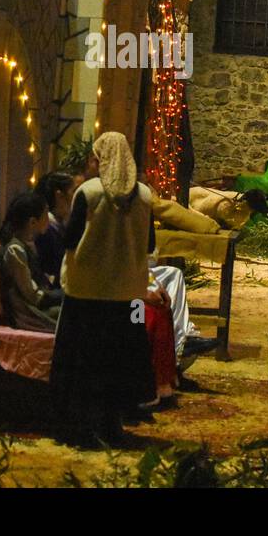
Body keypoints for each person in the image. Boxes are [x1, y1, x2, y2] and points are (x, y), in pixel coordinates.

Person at [51, 132, 172, 446]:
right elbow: (149, 244)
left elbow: (69, 240)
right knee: (119, 362)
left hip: (86, 292)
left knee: (84, 362)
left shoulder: (88, 193)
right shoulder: (145, 196)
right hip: (125, 296)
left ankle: (81, 428)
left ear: (99, 159)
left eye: (94, 157)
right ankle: (113, 424)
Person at [0, 192, 62, 333]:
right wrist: (61, 295)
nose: (48, 219)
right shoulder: (15, 249)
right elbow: (32, 296)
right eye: (45, 215)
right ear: (33, 222)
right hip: (27, 313)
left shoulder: (26, 245)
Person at [34, 171, 79, 286]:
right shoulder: (47, 230)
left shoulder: (58, 226)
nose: (77, 196)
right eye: (74, 191)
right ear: (59, 196)